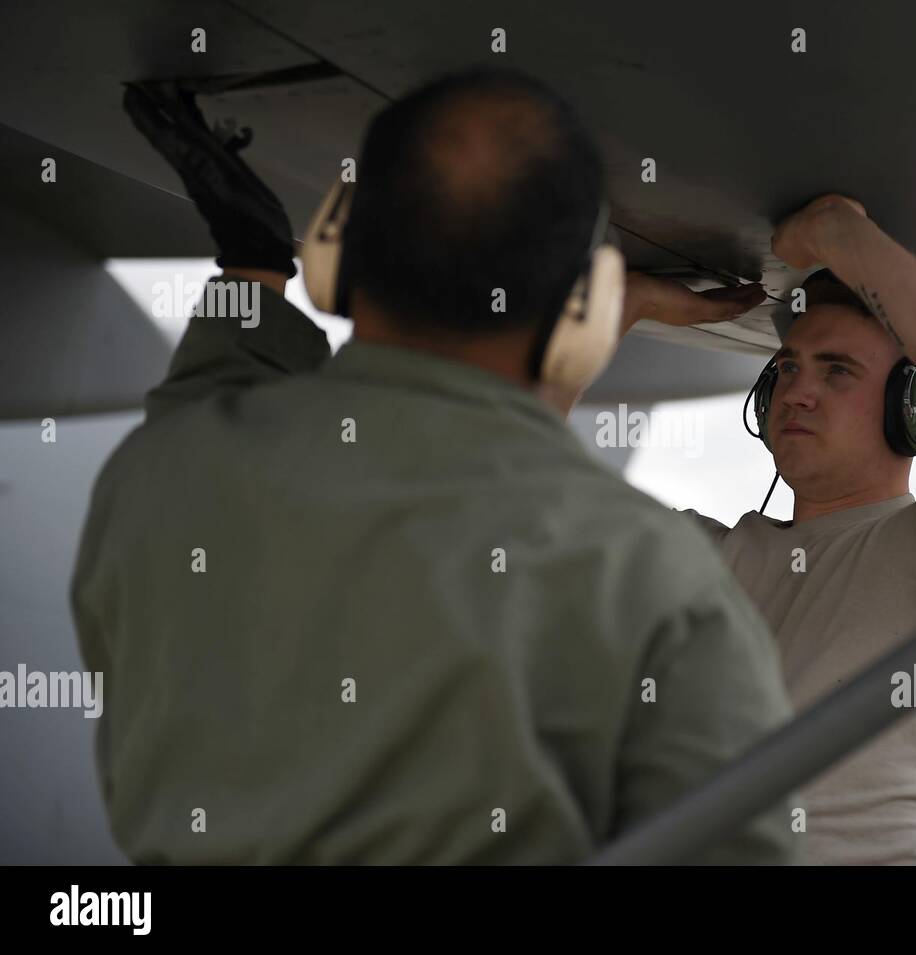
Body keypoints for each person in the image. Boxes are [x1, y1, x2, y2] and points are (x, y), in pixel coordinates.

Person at [70, 69, 794, 864]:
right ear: (580, 317)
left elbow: (212, 409)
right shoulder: (652, 578)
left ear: (335, 249)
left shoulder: (159, 472)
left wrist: (254, 270)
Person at [626, 195, 916, 864]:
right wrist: (620, 309)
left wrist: (839, 235)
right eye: (786, 369)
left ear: (912, 409)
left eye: (838, 371)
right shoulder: (710, 558)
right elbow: (513, 481)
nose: (797, 390)